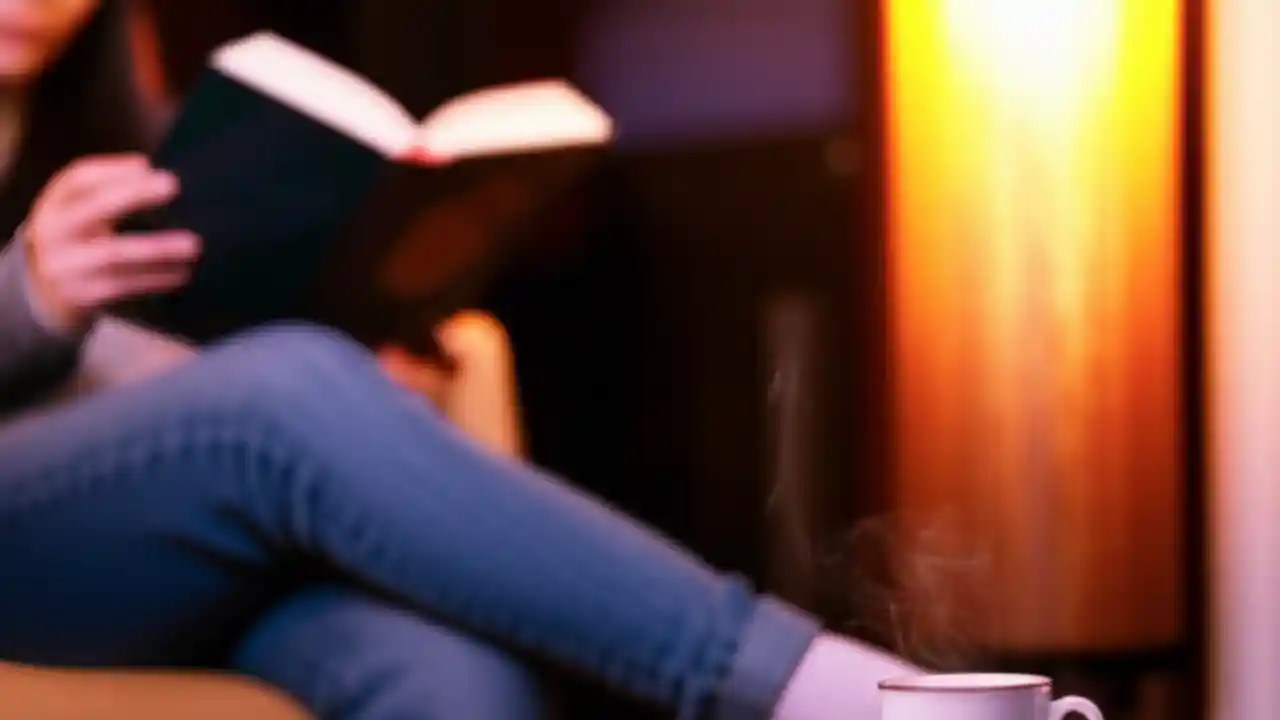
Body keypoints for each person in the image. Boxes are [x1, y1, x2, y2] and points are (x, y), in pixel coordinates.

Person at [0, 2, 919, 719]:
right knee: (284, 386)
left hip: (179, 540)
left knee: (454, 670)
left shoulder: (149, 141)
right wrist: (29, 300)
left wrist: (363, 353)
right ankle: (819, 688)